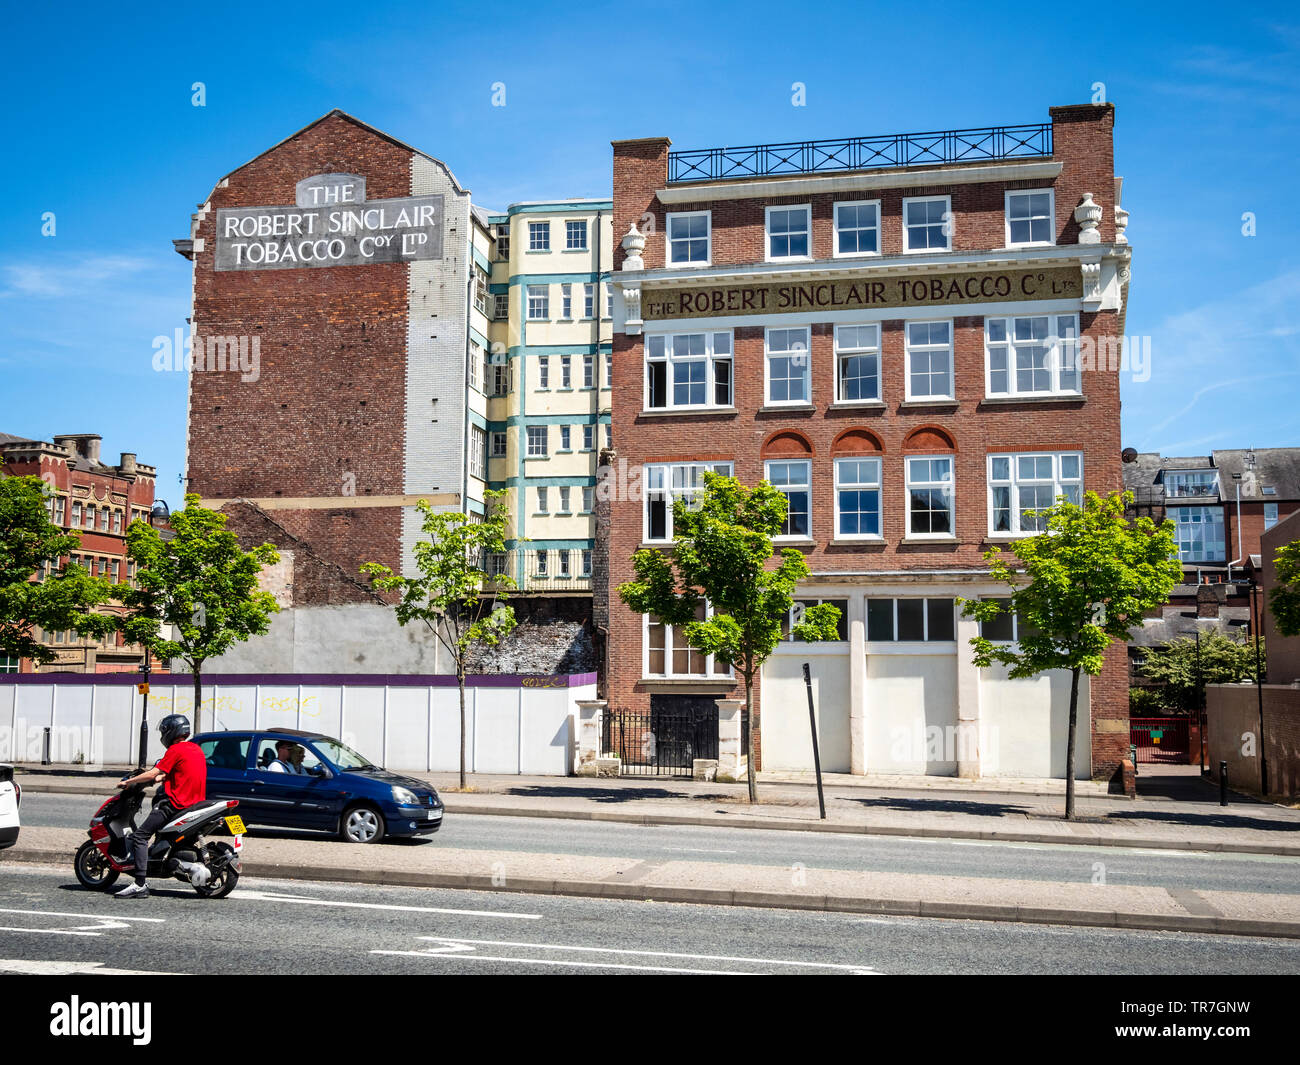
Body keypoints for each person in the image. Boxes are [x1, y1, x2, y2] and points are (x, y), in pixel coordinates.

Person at [113, 714, 206, 900]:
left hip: (175, 805)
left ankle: (139, 884)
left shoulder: (175, 750)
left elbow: (152, 773)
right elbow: (183, 772)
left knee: (140, 836)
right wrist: (163, 777)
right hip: (195, 804)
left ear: (171, 732)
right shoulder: (195, 749)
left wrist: (128, 782)